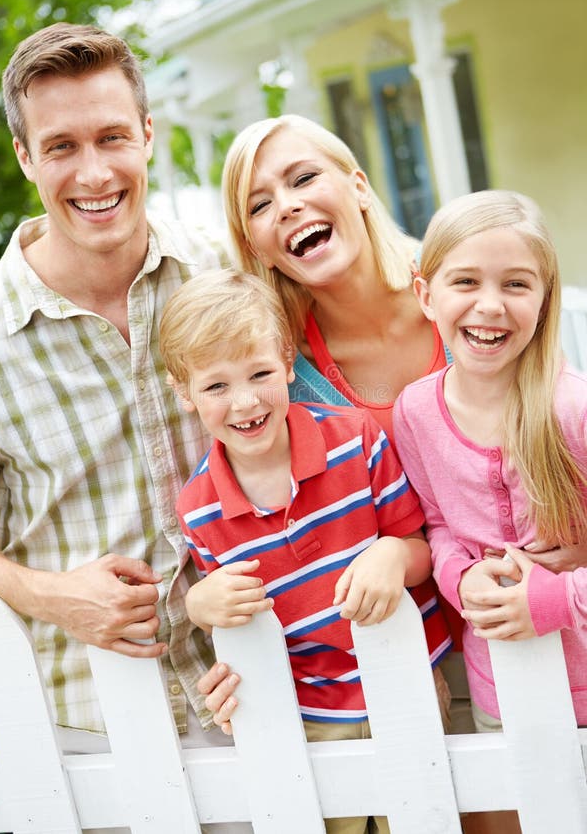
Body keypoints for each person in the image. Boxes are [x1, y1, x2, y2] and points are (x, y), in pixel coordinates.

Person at [0, 21, 247, 834]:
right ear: (27, 159)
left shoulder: (225, 277)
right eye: (61, 146)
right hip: (77, 733)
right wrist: (54, 595)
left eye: (111, 137)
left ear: (147, 134)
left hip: (250, 700)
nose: (93, 172)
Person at [199, 113, 455, 731]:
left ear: (359, 187)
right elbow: (259, 530)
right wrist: (225, 635)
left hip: (517, 605)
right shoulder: (276, 372)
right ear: (255, 243)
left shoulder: (458, 291)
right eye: (259, 204)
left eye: (303, 178)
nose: (286, 207)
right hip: (400, 651)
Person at [160, 266, 435, 834]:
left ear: (287, 362)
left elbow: (419, 548)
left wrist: (392, 555)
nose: (244, 402)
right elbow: (237, 627)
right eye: (216, 386)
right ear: (183, 392)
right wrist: (200, 605)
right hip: (308, 717)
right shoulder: (200, 510)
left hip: (406, 687)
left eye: (259, 372)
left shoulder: (354, 440)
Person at [393, 189, 587, 834]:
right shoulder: (416, 412)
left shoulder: (574, 411)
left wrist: (557, 602)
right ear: (426, 294)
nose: (489, 304)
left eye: (517, 283)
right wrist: (459, 578)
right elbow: (438, 524)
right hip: (499, 685)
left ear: (545, 297)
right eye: (465, 281)